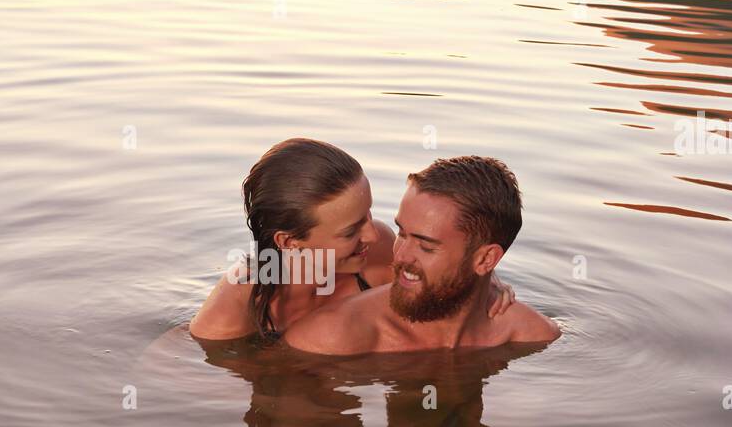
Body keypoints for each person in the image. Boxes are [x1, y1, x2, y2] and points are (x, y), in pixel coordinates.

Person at [189, 138, 516, 340]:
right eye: (350, 231)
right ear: (289, 242)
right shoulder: (238, 304)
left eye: (368, 216)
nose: (373, 234)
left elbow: (447, 266)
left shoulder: (379, 247)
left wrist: (487, 280)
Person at [284, 155, 561, 355]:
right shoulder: (330, 339)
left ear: (486, 260)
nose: (401, 256)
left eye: (426, 246)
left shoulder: (533, 337)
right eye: (401, 233)